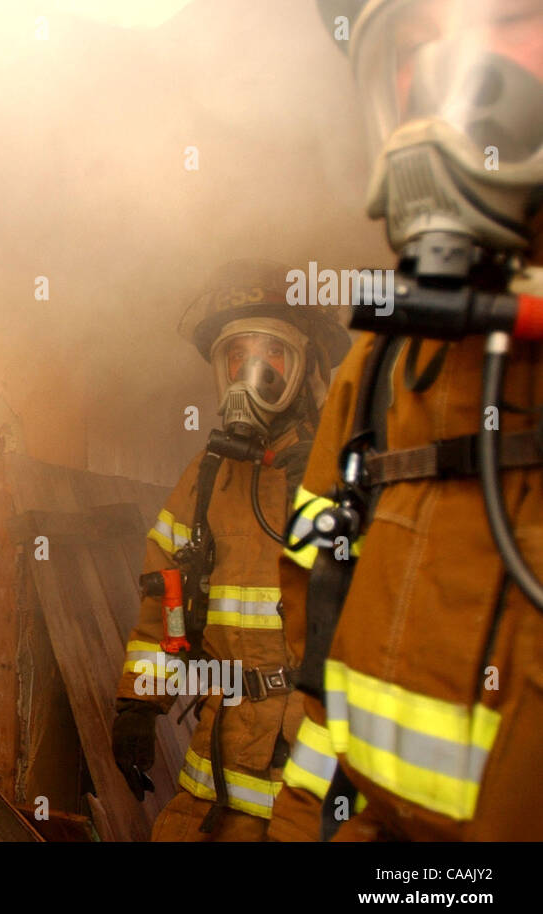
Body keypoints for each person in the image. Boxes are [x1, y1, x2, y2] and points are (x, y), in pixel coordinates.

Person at [270, 0, 543, 842]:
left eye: (508, 17)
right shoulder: (383, 362)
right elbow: (323, 643)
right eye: (417, 43)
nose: (453, 73)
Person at [111, 259, 349, 841]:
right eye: (236, 357)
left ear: (306, 369)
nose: (251, 374)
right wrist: (139, 705)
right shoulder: (206, 476)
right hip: (219, 752)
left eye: (271, 355)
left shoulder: (347, 474)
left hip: (310, 760)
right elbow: (163, 597)